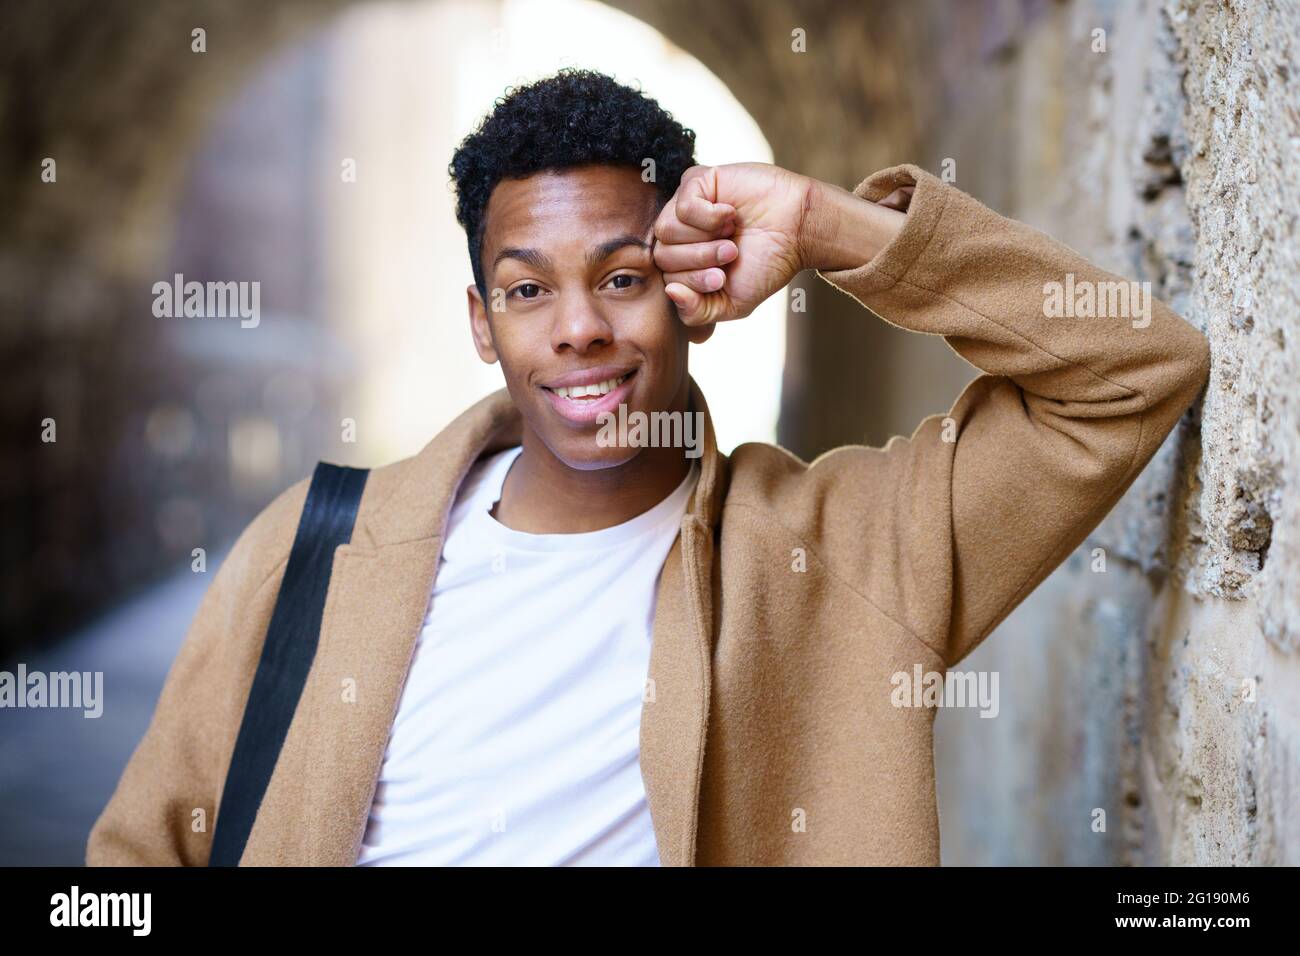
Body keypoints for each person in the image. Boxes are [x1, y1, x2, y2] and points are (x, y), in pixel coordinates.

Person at [87, 67, 1210, 866]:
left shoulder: (848, 553)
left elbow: (1128, 369)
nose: (577, 329)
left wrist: (827, 224)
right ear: (484, 323)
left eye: (623, 276)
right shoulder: (318, 544)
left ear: (692, 292)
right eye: (529, 289)